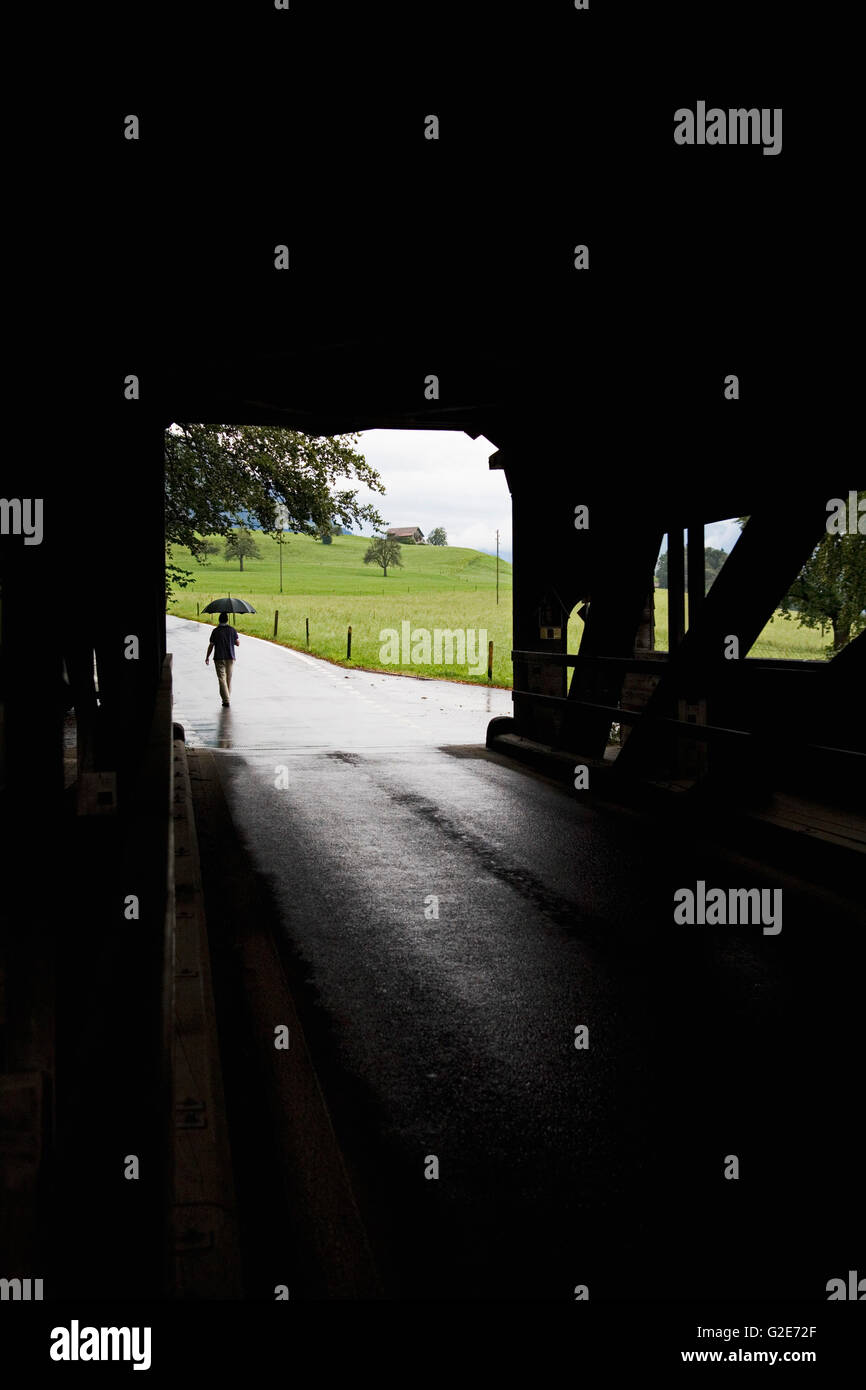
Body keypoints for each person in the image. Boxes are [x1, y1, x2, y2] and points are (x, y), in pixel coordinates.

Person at [205, 612, 240, 706]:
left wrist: (207, 656)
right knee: (228, 678)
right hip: (230, 657)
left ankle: (226, 700)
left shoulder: (215, 631)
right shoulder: (232, 630)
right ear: (227, 620)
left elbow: (211, 645)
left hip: (219, 657)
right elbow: (237, 643)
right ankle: (227, 698)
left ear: (219, 620)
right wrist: (230, 640)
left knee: (222, 679)